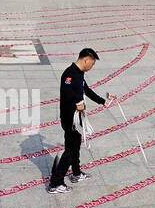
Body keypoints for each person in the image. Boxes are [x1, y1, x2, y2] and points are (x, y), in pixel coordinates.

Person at [48, 49, 114, 194]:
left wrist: (102, 101)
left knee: (76, 145)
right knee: (70, 150)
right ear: (86, 60)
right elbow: (66, 93)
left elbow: (87, 90)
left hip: (77, 118)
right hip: (69, 118)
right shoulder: (70, 74)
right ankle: (56, 182)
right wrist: (76, 102)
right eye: (92, 63)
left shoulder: (79, 74)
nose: (92, 66)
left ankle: (76, 173)